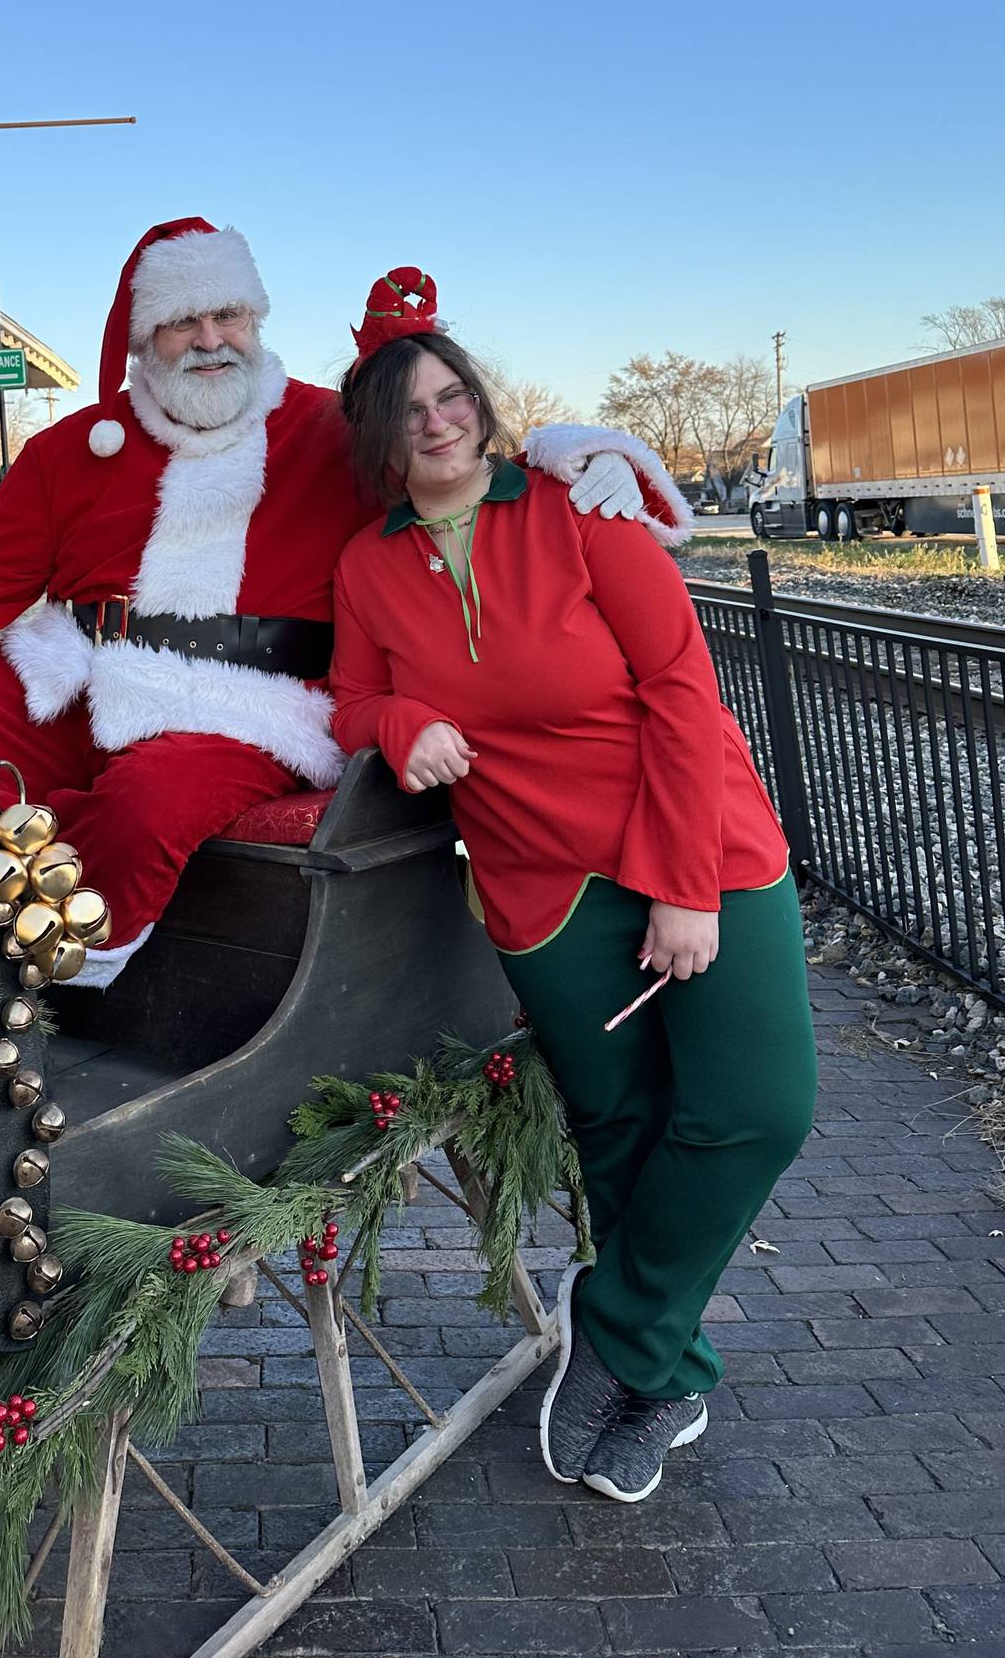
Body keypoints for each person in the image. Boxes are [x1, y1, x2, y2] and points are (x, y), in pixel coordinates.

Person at [0, 221, 651, 987]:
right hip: (80, 673)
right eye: (182, 322)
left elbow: (452, 460)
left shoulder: (333, 430)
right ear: (144, 339)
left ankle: (43, 980)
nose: (210, 340)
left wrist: (574, 459)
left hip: (249, 704)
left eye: (228, 316)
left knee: (144, 810)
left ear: (255, 320)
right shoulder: (72, 452)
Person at [328, 268, 817, 1503]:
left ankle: (616, 1326)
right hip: (535, 882)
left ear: (481, 406)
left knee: (757, 1105)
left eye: (453, 394)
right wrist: (396, 715)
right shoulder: (367, 568)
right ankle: (670, 1373)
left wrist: (683, 884)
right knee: (621, 1126)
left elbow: (678, 693)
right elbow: (346, 702)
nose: (438, 419)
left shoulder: (578, 511)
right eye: (409, 405)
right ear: (379, 434)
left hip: (701, 845)